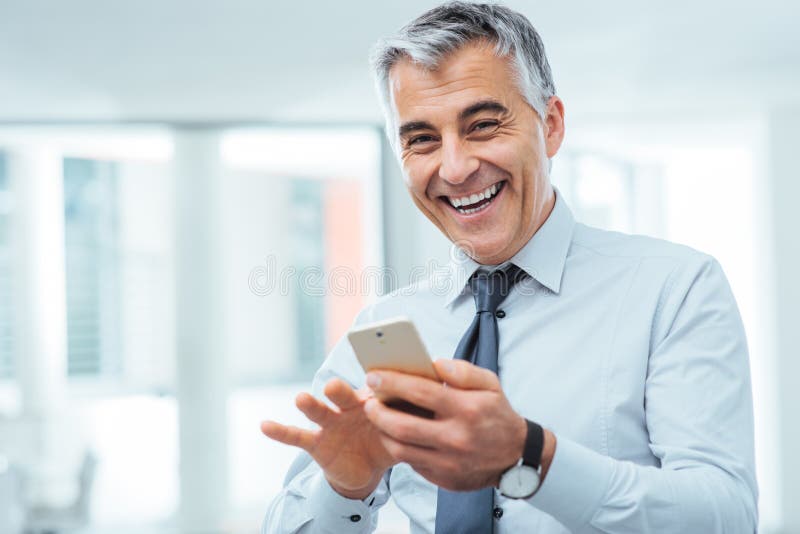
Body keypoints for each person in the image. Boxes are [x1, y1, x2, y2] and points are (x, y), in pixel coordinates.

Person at [260, 2, 758, 532]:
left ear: (551, 125)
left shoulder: (674, 289)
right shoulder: (383, 328)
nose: (455, 168)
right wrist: (345, 488)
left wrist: (531, 455)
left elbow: (726, 517)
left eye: (483, 125)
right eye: (422, 139)